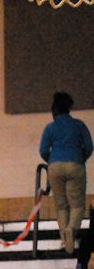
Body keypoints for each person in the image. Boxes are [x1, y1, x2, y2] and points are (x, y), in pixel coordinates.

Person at [40, 91, 92, 255]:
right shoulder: (79, 125)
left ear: (54, 110)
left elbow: (43, 150)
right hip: (75, 163)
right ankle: (71, 229)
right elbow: (89, 146)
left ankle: (65, 241)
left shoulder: (50, 127)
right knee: (77, 205)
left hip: (55, 166)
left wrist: (52, 160)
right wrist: (80, 159)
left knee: (61, 205)